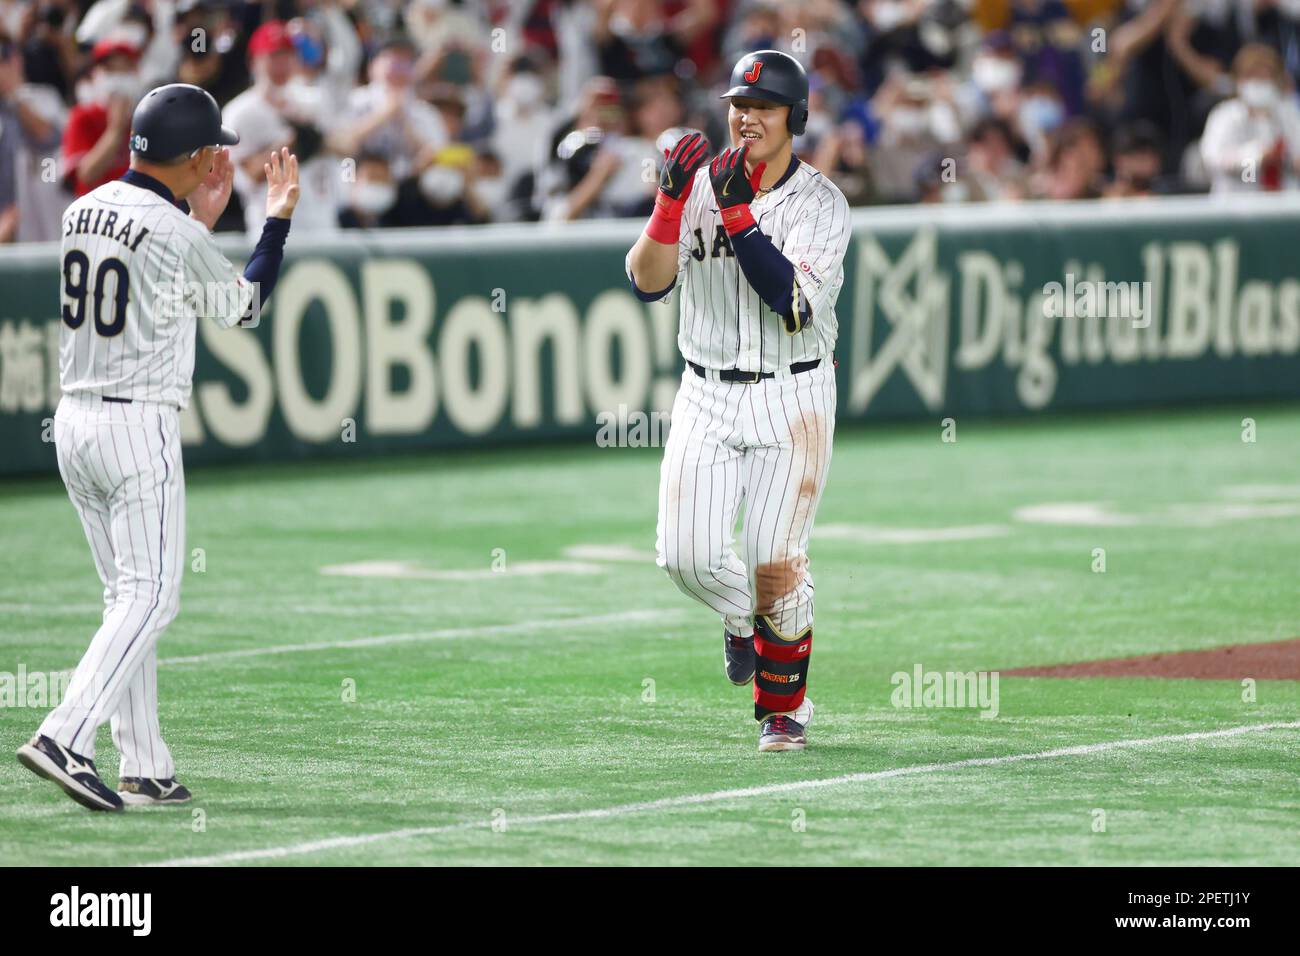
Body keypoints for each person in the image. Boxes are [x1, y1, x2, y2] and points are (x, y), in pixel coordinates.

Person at [16, 84, 299, 811]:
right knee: (151, 594)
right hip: (137, 424)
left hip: (74, 421)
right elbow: (244, 306)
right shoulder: (178, 234)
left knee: (126, 596)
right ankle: (63, 736)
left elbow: (152, 261)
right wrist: (276, 223)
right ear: (198, 156)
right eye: (212, 150)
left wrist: (194, 216)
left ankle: (143, 763)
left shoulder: (84, 207)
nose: (217, 160)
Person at [625, 50, 851, 752]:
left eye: (766, 107)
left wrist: (738, 213)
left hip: (794, 393)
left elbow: (791, 303)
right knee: (683, 556)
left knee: (775, 561)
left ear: (796, 118)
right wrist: (668, 203)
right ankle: (746, 621)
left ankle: (784, 708)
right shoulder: (696, 185)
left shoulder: (821, 205)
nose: (747, 117)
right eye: (739, 105)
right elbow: (646, 282)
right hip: (706, 391)